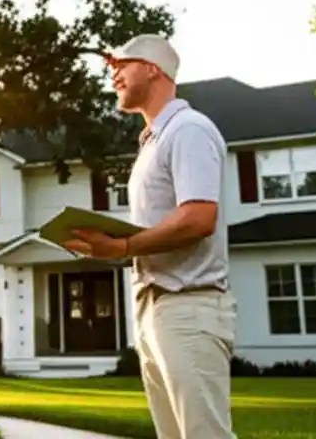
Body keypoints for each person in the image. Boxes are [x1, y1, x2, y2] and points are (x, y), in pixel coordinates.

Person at [63, 34, 237, 439]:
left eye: (120, 65)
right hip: (154, 308)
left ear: (153, 68)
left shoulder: (189, 129)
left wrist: (122, 247)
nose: (114, 77)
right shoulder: (152, 142)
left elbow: (198, 219)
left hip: (189, 306)